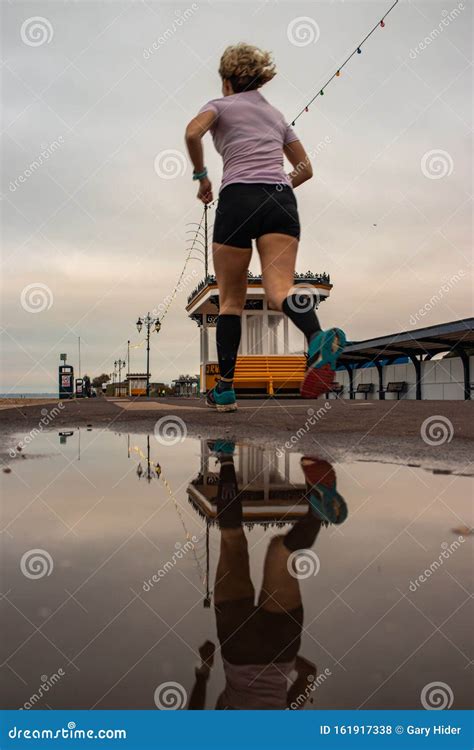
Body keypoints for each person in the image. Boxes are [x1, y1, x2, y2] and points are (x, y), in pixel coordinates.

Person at [185, 43, 346, 412]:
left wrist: (201, 178)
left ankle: (225, 389)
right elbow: (306, 168)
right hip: (280, 199)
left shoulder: (218, 106)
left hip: (237, 197)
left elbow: (192, 134)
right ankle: (317, 336)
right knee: (279, 291)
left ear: (227, 80)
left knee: (230, 301)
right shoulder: (275, 116)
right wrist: (279, 184)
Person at [186, 441, 348, 710]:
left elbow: (309, 673)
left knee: (281, 552)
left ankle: (315, 513)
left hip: (281, 646)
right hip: (238, 647)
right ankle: (226, 455)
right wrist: (202, 673)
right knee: (232, 539)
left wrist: (283, 665)